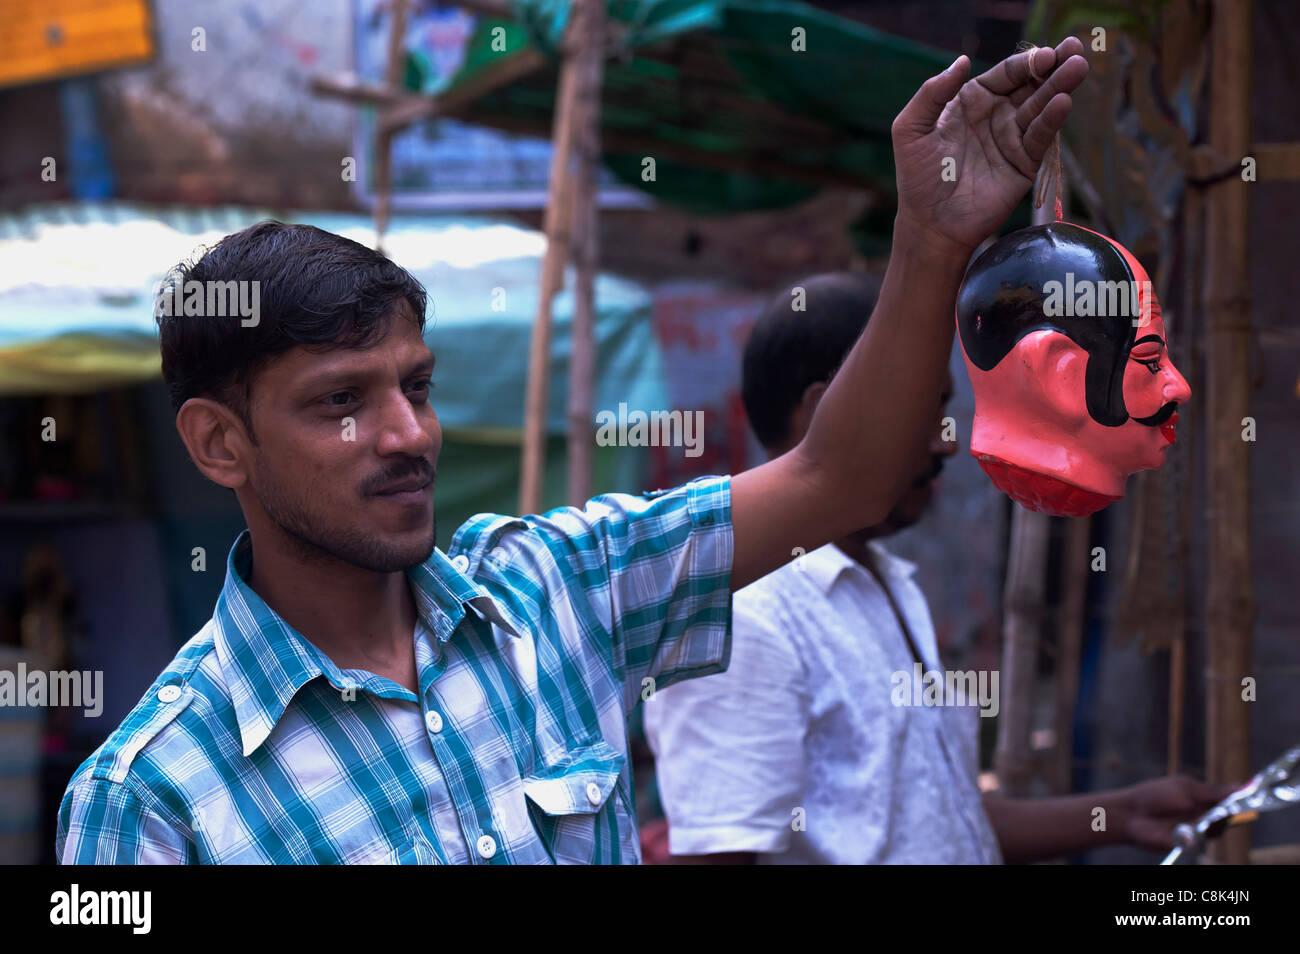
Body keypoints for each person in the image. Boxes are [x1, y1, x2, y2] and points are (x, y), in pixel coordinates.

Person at [58, 41, 1092, 864]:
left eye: (414, 387)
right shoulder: (150, 800)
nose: (410, 434)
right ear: (217, 444)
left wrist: (930, 239)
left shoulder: (554, 589)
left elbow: (840, 479)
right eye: (340, 403)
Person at [643, 272, 1229, 865]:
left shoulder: (880, 579)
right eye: (931, 412)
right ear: (826, 412)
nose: (949, 445)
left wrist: (1124, 815)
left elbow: (935, 821)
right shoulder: (744, 617)